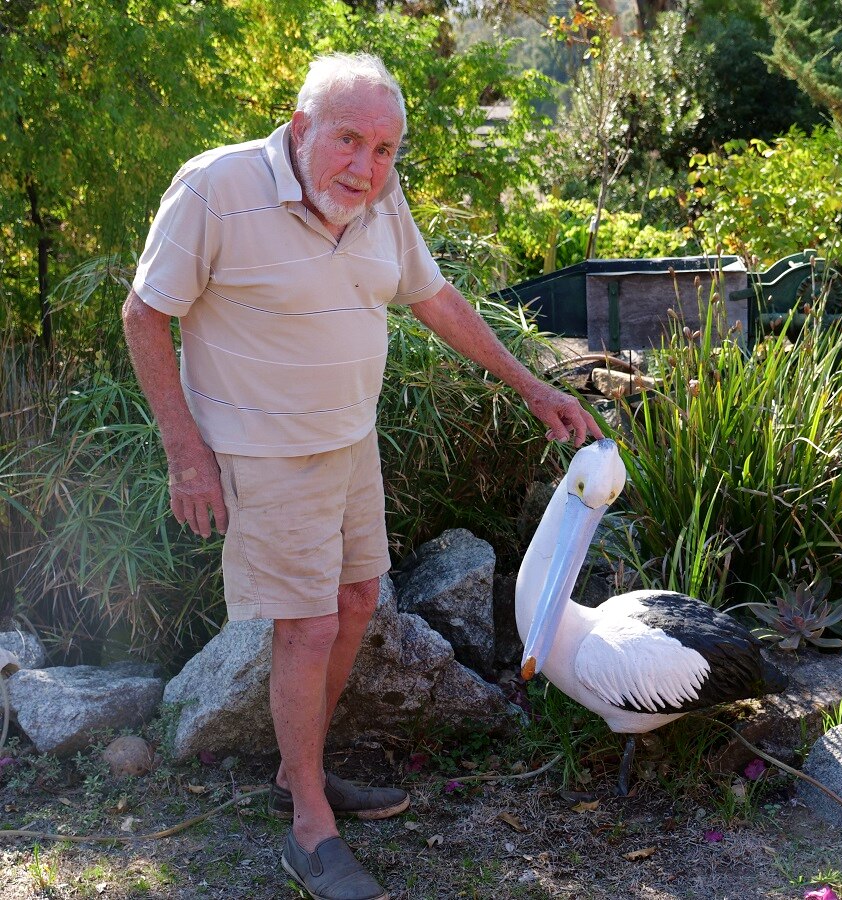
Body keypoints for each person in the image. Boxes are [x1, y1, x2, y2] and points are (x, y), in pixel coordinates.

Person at [122, 52, 602, 900]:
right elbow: (145, 313)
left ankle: (294, 772)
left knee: (353, 605)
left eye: (385, 150)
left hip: (351, 440)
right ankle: (309, 825)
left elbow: (433, 297)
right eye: (349, 140)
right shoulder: (215, 188)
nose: (366, 167)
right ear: (302, 127)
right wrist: (185, 452)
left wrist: (531, 385)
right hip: (263, 451)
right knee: (305, 626)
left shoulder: (378, 200)